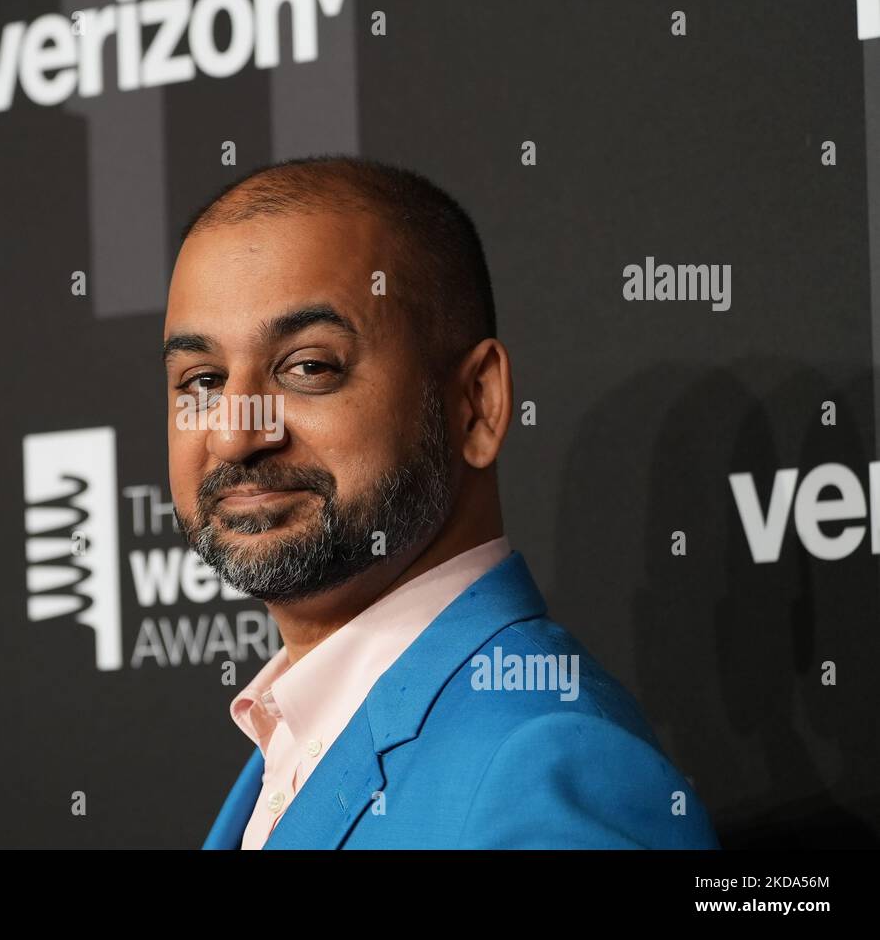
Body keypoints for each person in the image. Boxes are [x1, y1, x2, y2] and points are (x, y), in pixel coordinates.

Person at [162, 154, 720, 849]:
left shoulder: (543, 768)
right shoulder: (293, 743)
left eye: (309, 367)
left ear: (476, 404)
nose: (235, 433)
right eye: (203, 380)